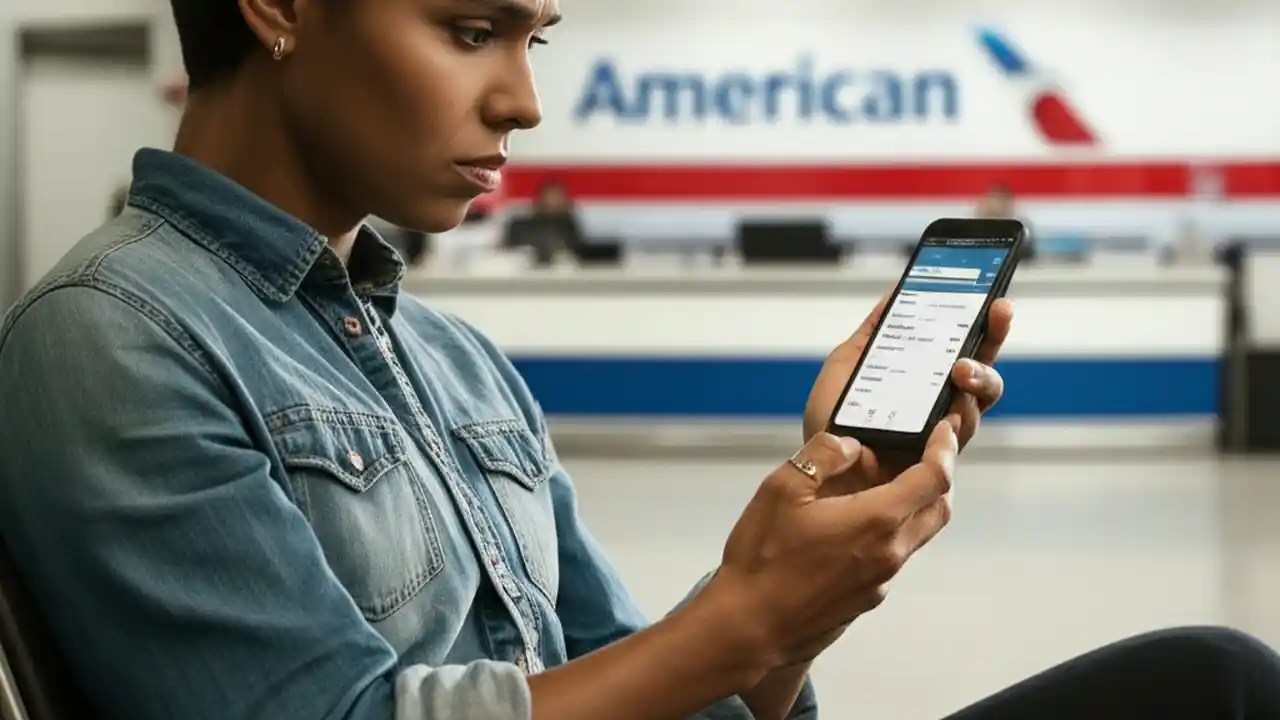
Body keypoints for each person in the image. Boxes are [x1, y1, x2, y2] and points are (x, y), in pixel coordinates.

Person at [0, 1, 1275, 719]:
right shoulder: (113, 337)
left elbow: (671, 695)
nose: (522, 101)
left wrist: (799, 568)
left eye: (531, 41)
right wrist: (736, 618)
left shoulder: (454, 359)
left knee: (1209, 684)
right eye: (467, 29)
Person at [503, 177, 585, 266]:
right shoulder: (520, 226)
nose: (555, 201)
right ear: (540, 198)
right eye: (551, 195)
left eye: (558, 196)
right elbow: (512, 255)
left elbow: (578, 255)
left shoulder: (569, 225)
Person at [976, 183, 1037, 263]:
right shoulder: (975, 228)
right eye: (990, 199)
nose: (992, 205)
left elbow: (1027, 254)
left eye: (997, 200)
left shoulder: (1022, 227)